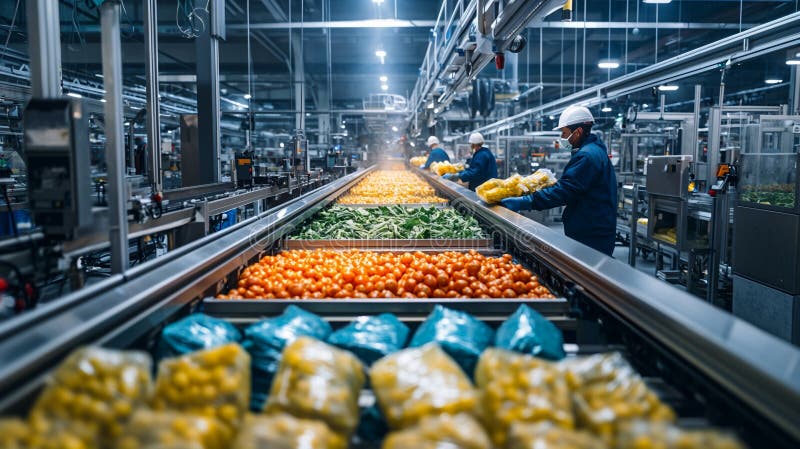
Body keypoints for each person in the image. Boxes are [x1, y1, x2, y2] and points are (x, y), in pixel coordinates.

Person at [500, 105, 617, 256]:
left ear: (578, 132)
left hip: (591, 232)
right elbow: (576, 187)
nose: (562, 138)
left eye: (564, 133)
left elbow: (565, 191)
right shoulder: (594, 150)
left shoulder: (587, 156)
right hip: (595, 226)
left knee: (586, 274)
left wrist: (527, 201)